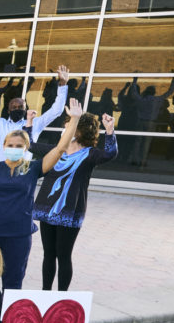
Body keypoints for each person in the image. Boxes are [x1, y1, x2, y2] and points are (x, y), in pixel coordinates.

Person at [0, 102, 77, 290]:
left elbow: (59, 150)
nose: (14, 148)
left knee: (13, 284)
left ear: (26, 148)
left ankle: (7, 318)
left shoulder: (33, 168)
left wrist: (74, 119)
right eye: (10, 145)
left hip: (18, 235)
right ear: (4, 146)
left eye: (19, 145)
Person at [33, 112, 118, 291]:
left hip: (69, 212)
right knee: (48, 254)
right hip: (47, 209)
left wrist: (109, 130)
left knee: (63, 255)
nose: (66, 128)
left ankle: (61, 297)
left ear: (82, 130)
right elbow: (29, 145)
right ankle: (45, 293)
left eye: (72, 125)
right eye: (67, 124)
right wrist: (28, 122)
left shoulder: (90, 154)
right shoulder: (56, 150)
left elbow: (110, 153)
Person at [0, 65, 69, 159]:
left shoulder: (33, 124)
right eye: (14, 107)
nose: (17, 109)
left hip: (23, 172)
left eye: (20, 107)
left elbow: (56, 111)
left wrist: (63, 85)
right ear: (8, 110)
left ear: (25, 109)